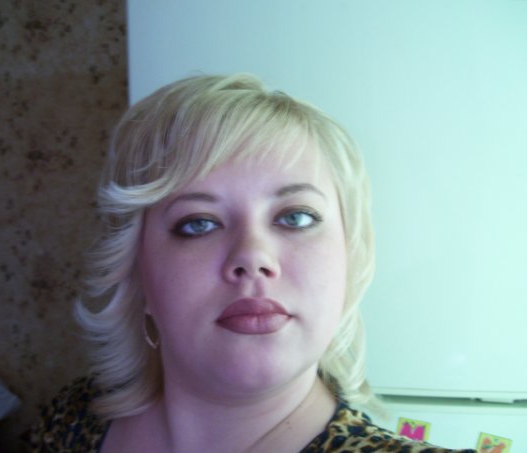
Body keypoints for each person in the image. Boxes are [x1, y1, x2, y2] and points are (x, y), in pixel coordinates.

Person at [26, 74, 475, 452]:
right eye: (199, 223)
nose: (253, 257)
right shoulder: (71, 419)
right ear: (137, 269)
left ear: (349, 256)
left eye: (296, 217)